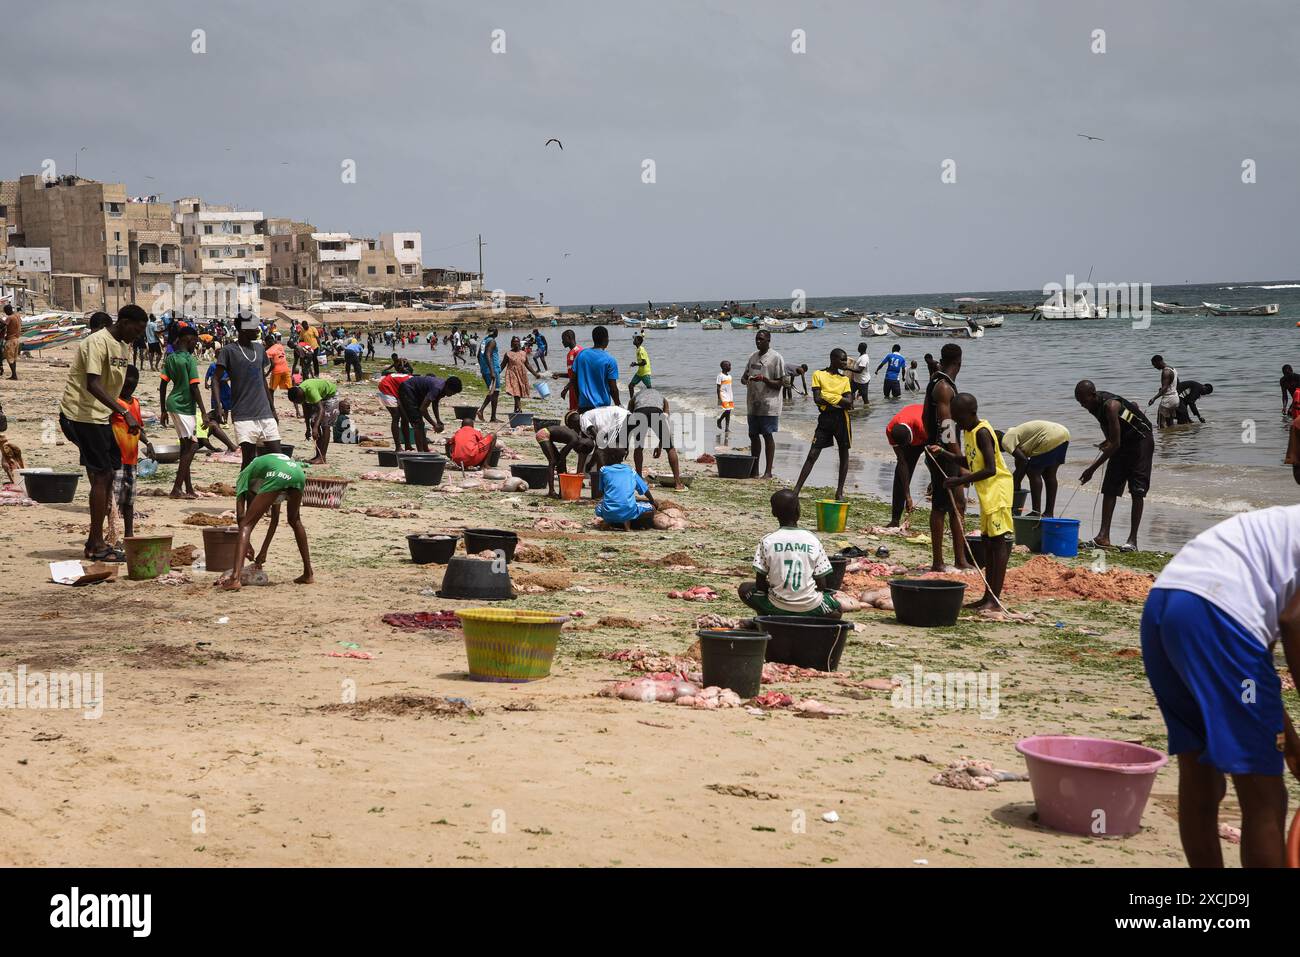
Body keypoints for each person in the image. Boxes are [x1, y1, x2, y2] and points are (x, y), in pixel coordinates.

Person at [1139, 506, 1300, 866]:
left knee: (1201, 777)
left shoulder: (1284, 527)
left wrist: (1287, 739)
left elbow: (1257, 665)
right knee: (1264, 796)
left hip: (1165, 606)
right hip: (1218, 616)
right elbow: (1294, 620)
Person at [58, 305, 147, 561]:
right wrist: (124, 411)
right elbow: (93, 384)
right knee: (102, 474)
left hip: (101, 417)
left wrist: (127, 413)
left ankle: (94, 540)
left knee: (109, 471)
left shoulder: (122, 347)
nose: (138, 336)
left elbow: (115, 385)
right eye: (137, 330)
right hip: (80, 414)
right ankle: (96, 545)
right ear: (125, 321)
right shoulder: (96, 343)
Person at [929, 393, 1014, 612]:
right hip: (987, 493)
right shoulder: (968, 431)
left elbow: (990, 469)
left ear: (972, 413)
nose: (956, 422)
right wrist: (944, 453)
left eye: (959, 417)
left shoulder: (983, 432)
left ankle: (995, 600)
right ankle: (987, 596)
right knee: (987, 543)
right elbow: (971, 461)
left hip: (998, 491)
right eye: (954, 418)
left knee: (998, 544)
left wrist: (960, 480)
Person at [1074, 379, 1154, 552]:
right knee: (1110, 488)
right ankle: (1103, 536)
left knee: (1137, 490)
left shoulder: (1110, 406)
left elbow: (1115, 444)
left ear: (1093, 395)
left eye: (1084, 401)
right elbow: (1115, 432)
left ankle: (1132, 541)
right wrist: (1107, 441)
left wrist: (1091, 469)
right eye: (1080, 403)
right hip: (1123, 442)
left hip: (1141, 441)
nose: (1083, 406)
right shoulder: (1094, 406)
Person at [739, 489, 844, 619]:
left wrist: (775, 589)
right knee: (837, 609)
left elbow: (760, 584)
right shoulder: (813, 540)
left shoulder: (767, 541)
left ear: (773, 513)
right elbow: (822, 585)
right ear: (798, 511)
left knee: (744, 589)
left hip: (776, 606)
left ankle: (765, 619)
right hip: (810, 606)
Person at [225, 452, 313, 591]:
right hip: (298, 472)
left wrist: (247, 544)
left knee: (247, 525)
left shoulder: (243, 476)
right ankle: (308, 573)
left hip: (279, 474)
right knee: (295, 520)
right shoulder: (265, 473)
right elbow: (275, 519)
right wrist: (263, 551)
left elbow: (242, 518)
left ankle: (235, 578)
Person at [921, 343, 970, 571]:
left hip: (941, 451)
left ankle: (960, 559)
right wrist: (960, 460)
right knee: (941, 507)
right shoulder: (943, 387)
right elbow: (947, 426)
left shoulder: (938, 380)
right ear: (959, 362)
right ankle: (938, 562)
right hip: (942, 454)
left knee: (958, 504)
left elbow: (924, 418)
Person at [214, 324, 281, 476]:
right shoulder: (228, 351)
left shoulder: (259, 349)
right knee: (249, 459)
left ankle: (270, 493)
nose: (258, 331)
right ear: (243, 329)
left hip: (264, 413)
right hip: (243, 415)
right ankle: (243, 494)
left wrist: (273, 409)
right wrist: (218, 405)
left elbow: (262, 380)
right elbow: (216, 379)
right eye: (254, 328)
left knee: (278, 457)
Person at [792, 348, 854, 501]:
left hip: (842, 420)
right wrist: (838, 398)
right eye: (842, 360)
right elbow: (817, 399)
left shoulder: (844, 379)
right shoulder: (818, 374)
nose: (845, 363)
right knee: (812, 454)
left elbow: (849, 403)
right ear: (833, 359)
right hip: (825, 419)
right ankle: (796, 490)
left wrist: (828, 396)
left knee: (844, 454)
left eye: (845, 360)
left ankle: (839, 492)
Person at [158, 323, 209, 499]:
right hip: (184, 406)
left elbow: (163, 384)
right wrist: (204, 412)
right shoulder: (189, 359)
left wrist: (163, 410)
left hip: (172, 403)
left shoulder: (170, 358)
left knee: (185, 447)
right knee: (193, 445)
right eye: (195, 341)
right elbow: (195, 388)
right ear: (188, 339)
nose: (195, 344)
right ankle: (176, 488)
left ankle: (188, 487)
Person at [108, 365, 153, 544]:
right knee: (114, 500)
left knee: (129, 499)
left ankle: (129, 533)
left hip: (132, 459)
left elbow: (138, 427)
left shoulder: (135, 403)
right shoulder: (114, 403)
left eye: (133, 384)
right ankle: (112, 532)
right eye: (127, 383)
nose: (130, 387)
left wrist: (148, 442)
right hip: (116, 459)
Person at [999, 420, 1070, 517]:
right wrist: (1016, 480)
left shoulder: (1005, 441)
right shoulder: (1014, 435)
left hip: (1049, 436)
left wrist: (1016, 483)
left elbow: (1024, 461)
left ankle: (1036, 512)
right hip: (1063, 433)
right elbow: (1020, 463)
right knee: (1049, 474)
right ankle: (1049, 513)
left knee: (1033, 472)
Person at [741, 329, 784, 479]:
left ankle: (768, 471)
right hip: (753, 402)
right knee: (753, 435)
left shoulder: (776, 358)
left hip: (768, 404)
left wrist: (764, 379)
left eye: (761, 339)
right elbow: (744, 376)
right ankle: (754, 470)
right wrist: (746, 379)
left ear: (768, 340)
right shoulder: (752, 356)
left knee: (767, 435)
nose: (758, 341)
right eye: (756, 339)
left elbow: (780, 383)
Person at [628, 387, 685, 490]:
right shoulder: (662, 397)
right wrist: (661, 445)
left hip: (639, 412)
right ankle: (677, 483)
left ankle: (639, 480)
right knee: (670, 448)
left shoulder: (636, 395)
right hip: (656, 411)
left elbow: (629, 414)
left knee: (638, 447)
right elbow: (665, 418)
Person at [885, 403, 927, 528]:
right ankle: (895, 519)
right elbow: (902, 462)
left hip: (926, 433)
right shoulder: (890, 430)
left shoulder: (922, 427)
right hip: (910, 432)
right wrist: (908, 496)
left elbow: (936, 450)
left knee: (935, 467)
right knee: (900, 472)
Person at [594, 445, 655, 530]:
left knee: (598, 508)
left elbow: (601, 491)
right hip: (628, 511)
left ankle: (608, 522)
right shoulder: (631, 471)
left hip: (608, 512)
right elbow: (645, 489)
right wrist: (652, 501)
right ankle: (627, 525)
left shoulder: (604, 470)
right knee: (652, 509)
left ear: (611, 457)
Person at [536, 413, 596, 497]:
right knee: (553, 461)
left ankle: (562, 491)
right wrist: (563, 467)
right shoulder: (575, 439)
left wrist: (562, 466)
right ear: (583, 445)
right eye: (581, 451)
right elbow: (563, 454)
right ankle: (551, 491)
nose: (578, 452)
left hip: (547, 436)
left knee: (558, 462)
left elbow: (563, 453)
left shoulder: (576, 438)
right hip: (543, 434)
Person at [399, 374, 462, 452]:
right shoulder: (437, 387)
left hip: (417, 392)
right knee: (417, 424)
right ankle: (421, 452)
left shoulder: (443, 389)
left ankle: (425, 449)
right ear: (448, 387)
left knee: (421, 424)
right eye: (452, 392)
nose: (451, 395)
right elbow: (423, 409)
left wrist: (438, 420)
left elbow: (435, 403)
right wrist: (434, 424)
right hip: (408, 389)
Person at [288, 378, 339, 465]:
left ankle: (322, 457)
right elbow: (306, 412)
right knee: (313, 422)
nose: (300, 403)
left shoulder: (310, 391)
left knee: (325, 425)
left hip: (330, 396)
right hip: (321, 397)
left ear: (300, 395)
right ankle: (317, 455)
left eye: (299, 401)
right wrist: (308, 428)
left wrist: (315, 428)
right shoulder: (302, 395)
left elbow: (321, 409)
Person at [571, 325, 620, 412]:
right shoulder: (610, 360)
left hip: (584, 406)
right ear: (606, 339)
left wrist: (579, 399)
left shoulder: (581, 355)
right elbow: (613, 388)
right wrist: (618, 404)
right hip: (602, 408)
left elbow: (573, 380)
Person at [377, 365, 414, 451]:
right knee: (396, 416)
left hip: (391, 388)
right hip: (386, 389)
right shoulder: (411, 380)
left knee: (405, 418)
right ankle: (398, 447)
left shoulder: (404, 377)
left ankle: (407, 445)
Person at [550, 329, 583, 414]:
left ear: (569, 338)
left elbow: (579, 374)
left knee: (580, 412)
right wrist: (559, 375)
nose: (562, 342)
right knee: (574, 412)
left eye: (563, 339)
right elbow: (572, 374)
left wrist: (566, 388)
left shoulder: (579, 352)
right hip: (573, 388)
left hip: (580, 389)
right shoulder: (569, 354)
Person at [502, 336, 537, 414]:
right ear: (511, 343)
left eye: (517, 341)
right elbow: (502, 365)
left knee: (519, 391)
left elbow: (527, 365)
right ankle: (519, 409)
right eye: (514, 342)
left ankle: (516, 409)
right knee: (516, 391)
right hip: (512, 374)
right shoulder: (508, 354)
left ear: (519, 343)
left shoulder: (523, 353)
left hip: (521, 374)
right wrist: (496, 374)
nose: (516, 343)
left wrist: (535, 374)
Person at [476, 328, 502, 422]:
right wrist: (491, 371)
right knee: (495, 392)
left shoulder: (484, 341)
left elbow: (478, 355)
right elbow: (488, 354)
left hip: (485, 369)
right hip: (492, 369)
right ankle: (488, 414)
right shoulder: (492, 341)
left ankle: (489, 414)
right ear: (495, 332)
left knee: (493, 392)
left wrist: (483, 367)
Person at [1149, 354, 1180, 428]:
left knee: (1160, 424)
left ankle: (1163, 439)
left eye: (1154, 365)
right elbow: (1177, 383)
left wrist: (1154, 398)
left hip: (1167, 400)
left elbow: (1164, 389)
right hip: (1175, 399)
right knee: (1170, 423)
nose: (1154, 367)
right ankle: (1172, 438)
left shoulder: (1165, 372)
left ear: (1158, 362)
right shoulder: (1173, 369)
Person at [205, 357, 232, 425]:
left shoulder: (227, 365)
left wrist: (226, 379)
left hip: (225, 387)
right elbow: (207, 375)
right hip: (215, 387)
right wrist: (206, 383)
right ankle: (218, 419)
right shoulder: (212, 366)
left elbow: (231, 375)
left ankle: (225, 420)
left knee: (226, 405)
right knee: (216, 404)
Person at [627, 334, 652, 407]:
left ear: (638, 342)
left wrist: (635, 364)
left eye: (635, 340)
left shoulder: (641, 350)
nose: (633, 340)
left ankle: (652, 402)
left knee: (650, 389)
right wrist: (636, 364)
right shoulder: (638, 349)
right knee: (631, 386)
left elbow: (644, 362)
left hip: (645, 372)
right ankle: (632, 401)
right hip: (640, 372)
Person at [3, 304, 21, 380]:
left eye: (5, 311)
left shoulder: (10, 318)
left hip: (10, 340)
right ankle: (14, 374)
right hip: (17, 340)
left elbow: (4, 324)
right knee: (14, 358)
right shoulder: (17, 316)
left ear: (8, 310)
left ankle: (14, 375)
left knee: (10, 358)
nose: (5, 313)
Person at [716, 360, 734, 432]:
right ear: (723, 367)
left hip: (730, 395)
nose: (730, 367)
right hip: (723, 395)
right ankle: (719, 420)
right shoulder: (720, 376)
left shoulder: (729, 376)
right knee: (727, 410)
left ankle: (727, 428)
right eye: (728, 365)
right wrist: (719, 397)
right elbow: (718, 387)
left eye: (730, 365)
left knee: (729, 412)